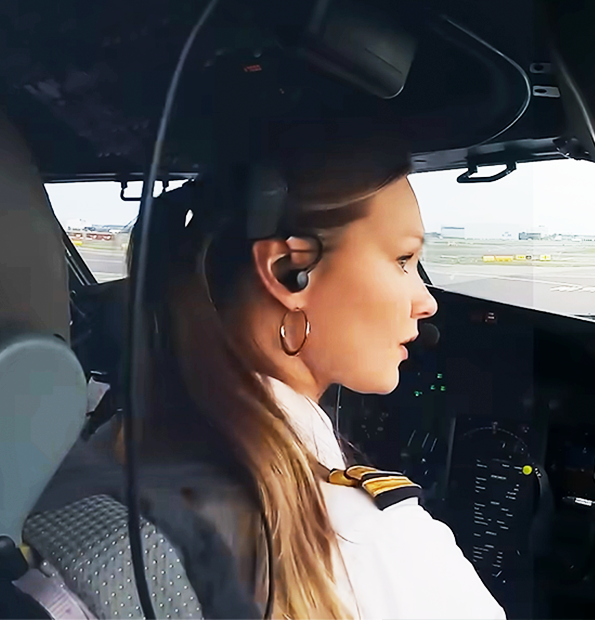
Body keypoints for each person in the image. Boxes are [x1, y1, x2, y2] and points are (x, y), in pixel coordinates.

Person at [109, 116, 505, 619]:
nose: (425, 302)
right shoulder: (378, 542)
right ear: (287, 273)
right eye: (403, 259)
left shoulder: (109, 454)